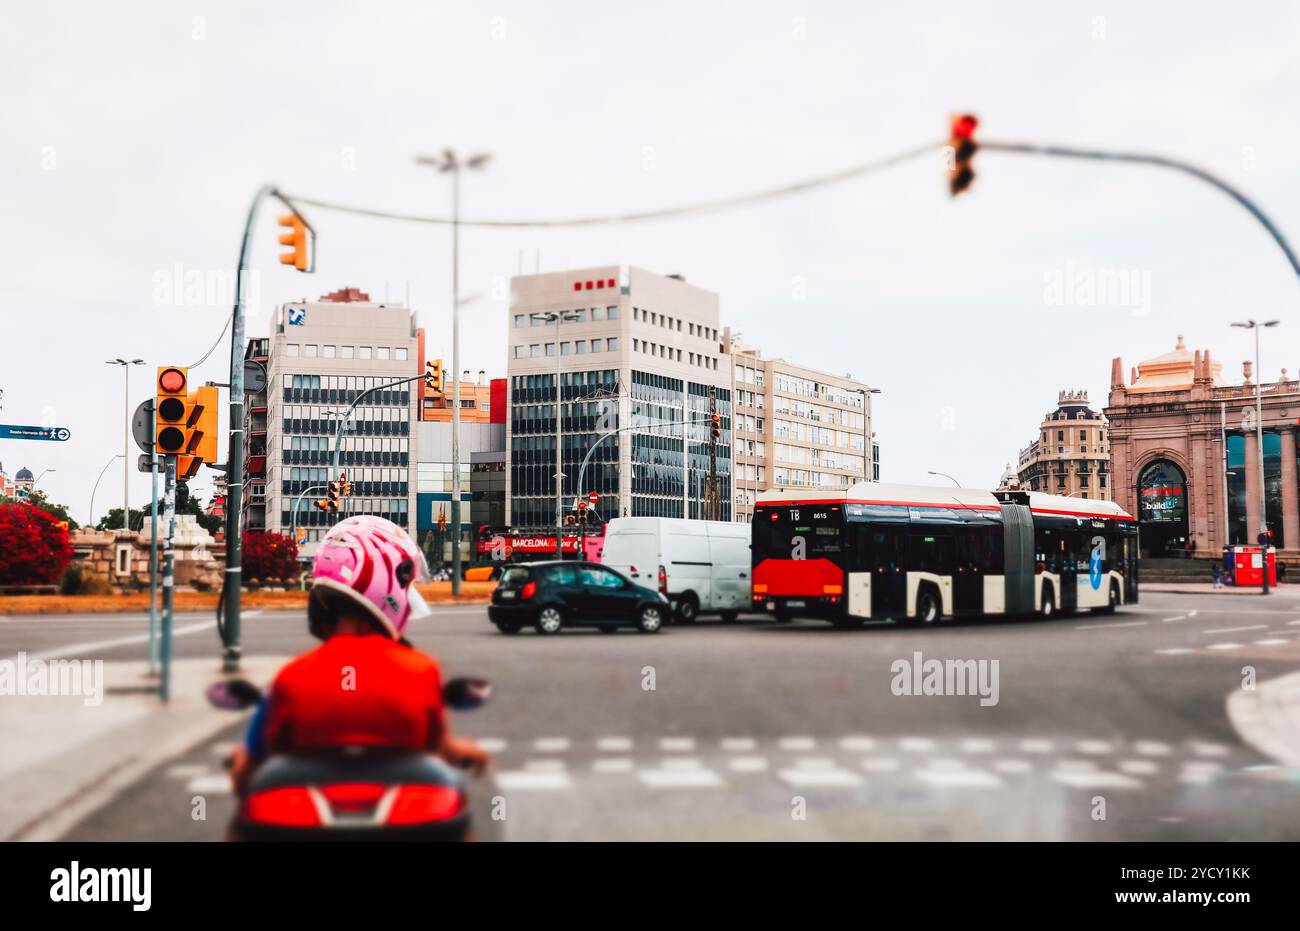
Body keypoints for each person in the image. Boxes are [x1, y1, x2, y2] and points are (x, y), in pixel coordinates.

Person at [229, 515, 490, 795]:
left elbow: (251, 768)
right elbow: (433, 751)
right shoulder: (421, 672)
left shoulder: (292, 678)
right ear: (388, 588)